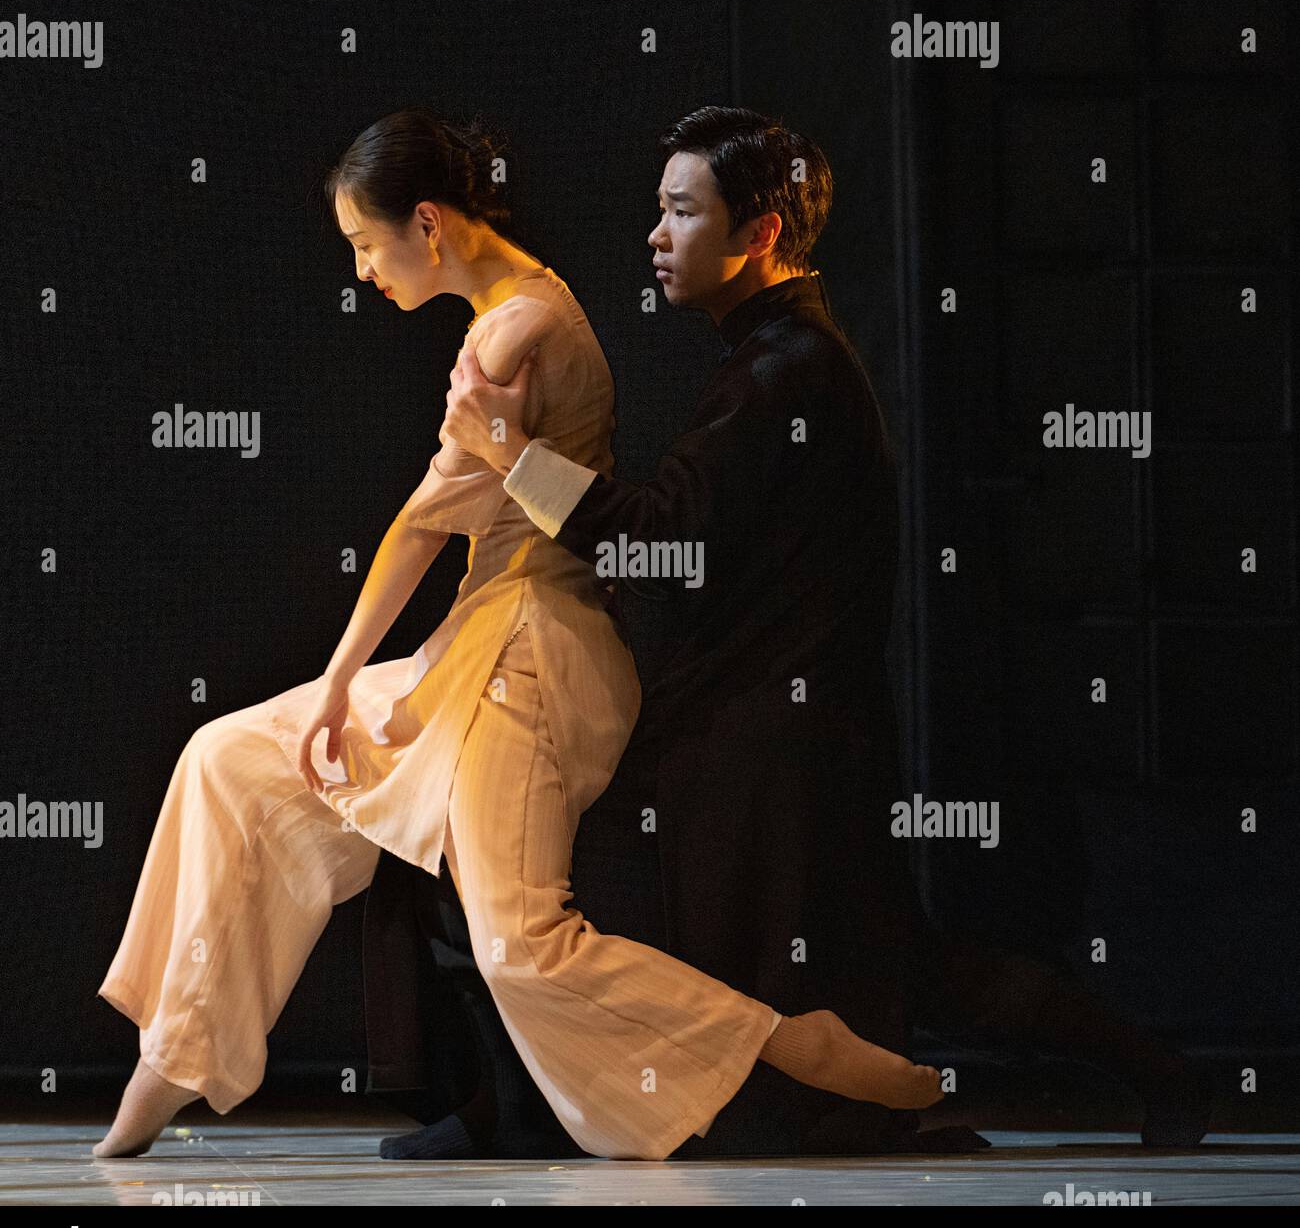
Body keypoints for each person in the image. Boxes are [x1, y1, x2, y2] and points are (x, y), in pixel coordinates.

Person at [92, 106, 946, 1162]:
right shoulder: (508, 312)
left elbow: (431, 516)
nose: (363, 272)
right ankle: (176, 1051)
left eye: (367, 244)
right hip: (482, 643)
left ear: (431, 224)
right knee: (228, 759)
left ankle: (788, 1043)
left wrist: (337, 676)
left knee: (521, 946)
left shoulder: (520, 329)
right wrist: (335, 681)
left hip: (536, 659)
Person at [425, 105, 1217, 1156]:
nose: (655, 237)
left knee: (586, 907)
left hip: (768, 746)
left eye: (679, 212)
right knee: (897, 961)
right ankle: (1138, 1078)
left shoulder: (779, 372)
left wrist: (507, 449)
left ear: (755, 235)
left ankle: (529, 1114)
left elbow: (660, 537)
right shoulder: (781, 359)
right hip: (786, 734)